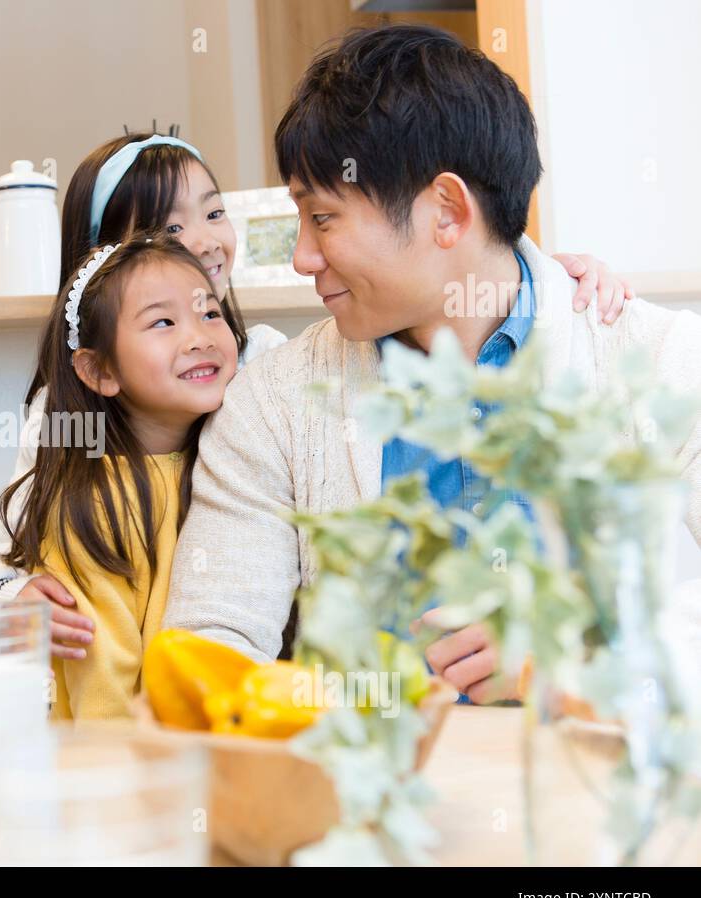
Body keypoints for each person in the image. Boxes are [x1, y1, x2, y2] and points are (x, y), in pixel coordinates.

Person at [162, 25, 701, 704]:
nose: (302, 257)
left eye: (323, 218)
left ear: (446, 211)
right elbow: (208, 653)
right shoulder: (272, 401)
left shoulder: (657, 359)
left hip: (584, 790)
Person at [0, 131, 626, 664]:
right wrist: (13, 595)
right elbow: (3, 553)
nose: (204, 241)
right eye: (169, 234)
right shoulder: (67, 419)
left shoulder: (259, 366)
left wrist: (539, 277)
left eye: (215, 212)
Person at [0, 233, 239, 718]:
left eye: (210, 312)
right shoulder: (92, 507)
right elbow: (103, 693)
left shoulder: (239, 461)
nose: (200, 336)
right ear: (100, 371)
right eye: (163, 322)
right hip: (130, 770)